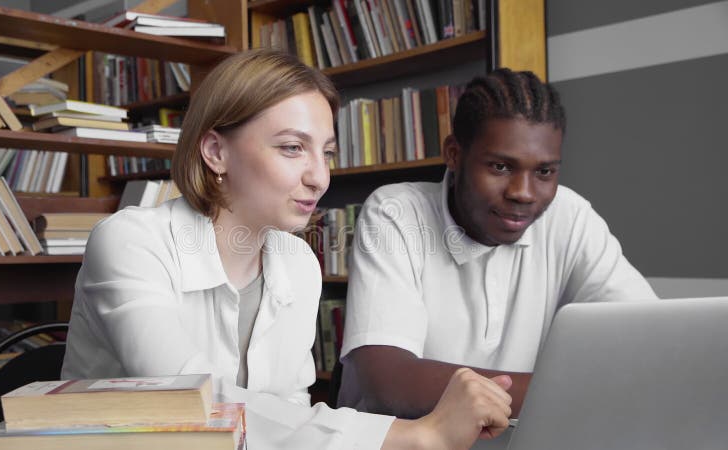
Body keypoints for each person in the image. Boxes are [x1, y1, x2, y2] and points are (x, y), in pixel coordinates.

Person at [61, 49, 512, 450]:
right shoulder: (129, 242)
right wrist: (416, 437)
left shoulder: (297, 264)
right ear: (216, 152)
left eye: (327, 153)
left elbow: (288, 415)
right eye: (293, 148)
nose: (319, 177)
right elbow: (193, 403)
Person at [338, 68, 658, 419]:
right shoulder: (395, 213)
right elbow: (390, 385)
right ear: (454, 154)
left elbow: (651, 341)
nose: (523, 192)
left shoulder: (571, 216)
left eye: (545, 172)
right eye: (501, 167)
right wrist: (581, 391)